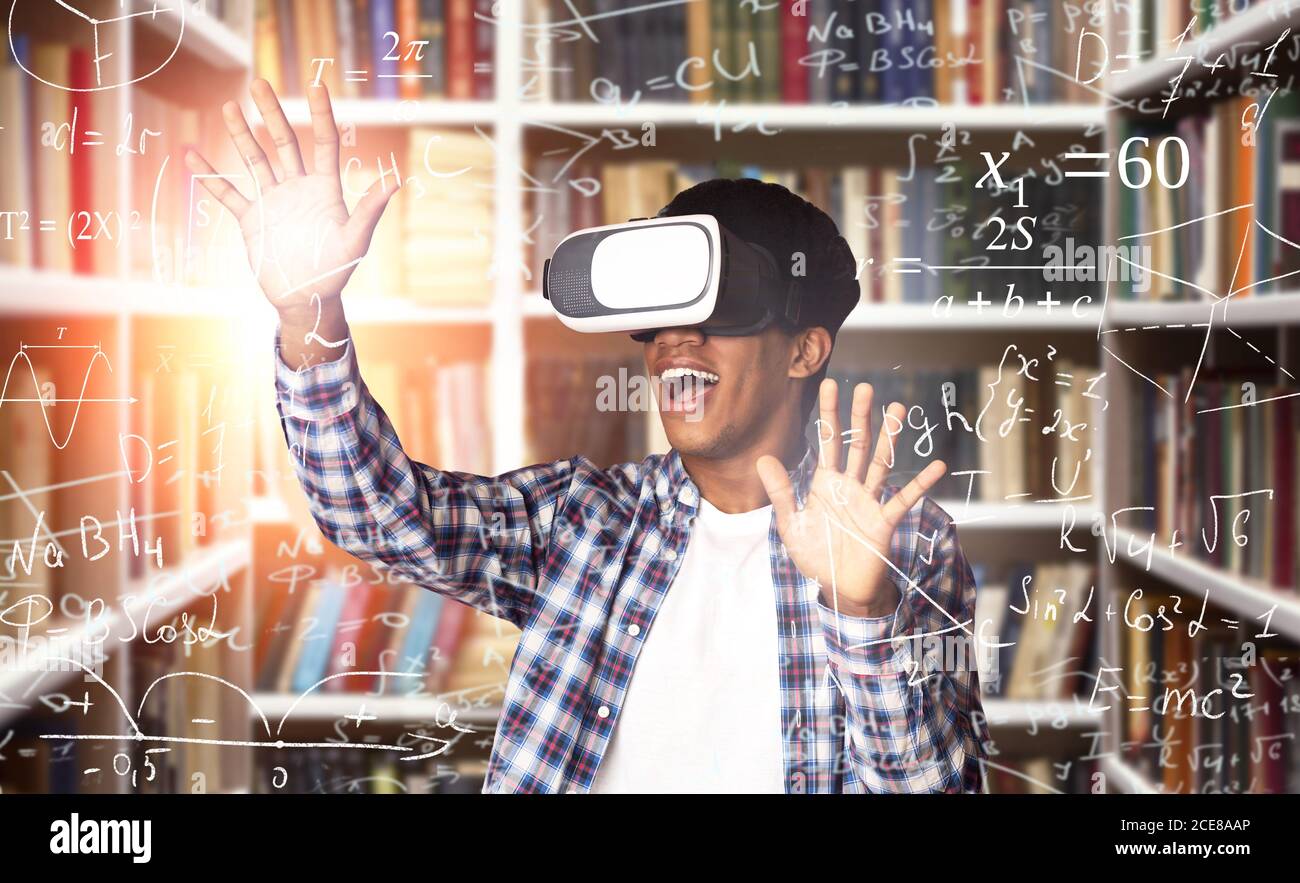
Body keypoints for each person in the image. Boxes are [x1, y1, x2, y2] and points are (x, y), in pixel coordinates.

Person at [187, 79, 987, 794]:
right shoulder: (583, 520)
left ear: (806, 348)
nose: (676, 342)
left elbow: (939, 788)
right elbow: (378, 517)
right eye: (660, 317)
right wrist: (308, 318)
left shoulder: (908, 545)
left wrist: (863, 610)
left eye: (715, 310)